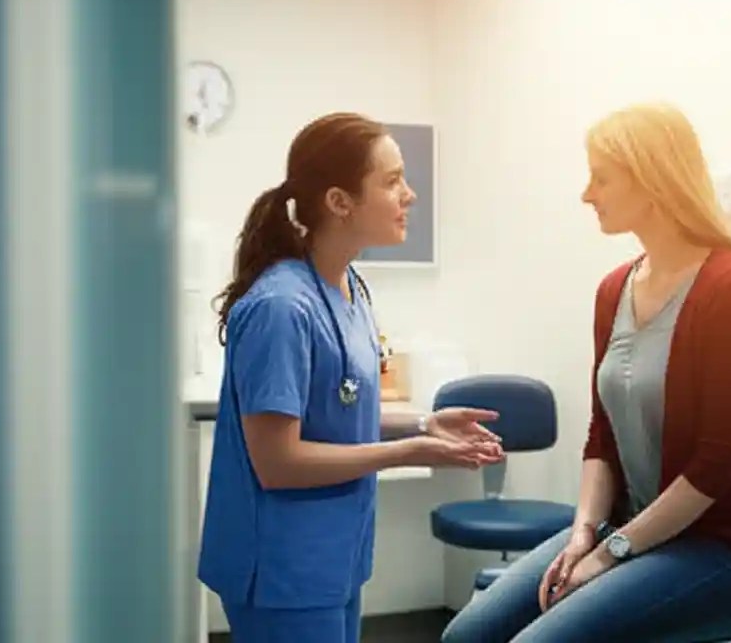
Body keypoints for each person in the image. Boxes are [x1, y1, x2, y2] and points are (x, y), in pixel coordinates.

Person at [441, 102, 731, 642]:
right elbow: (602, 436)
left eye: (601, 178)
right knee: (466, 636)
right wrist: (583, 534)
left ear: (652, 180)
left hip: (724, 548)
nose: (586, 194)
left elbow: (720, 461)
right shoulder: (614, 290)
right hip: (625, 528)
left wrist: (611, 553)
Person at [199, 112, 505, 643]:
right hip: (279, 567)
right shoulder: (281, 307)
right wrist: (409, 452)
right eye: (391, 182)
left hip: (334, 554)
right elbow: (279, 462)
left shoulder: (350, 288)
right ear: (339, 202)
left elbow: (340, 409)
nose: (409, 195)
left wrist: (424, 423)